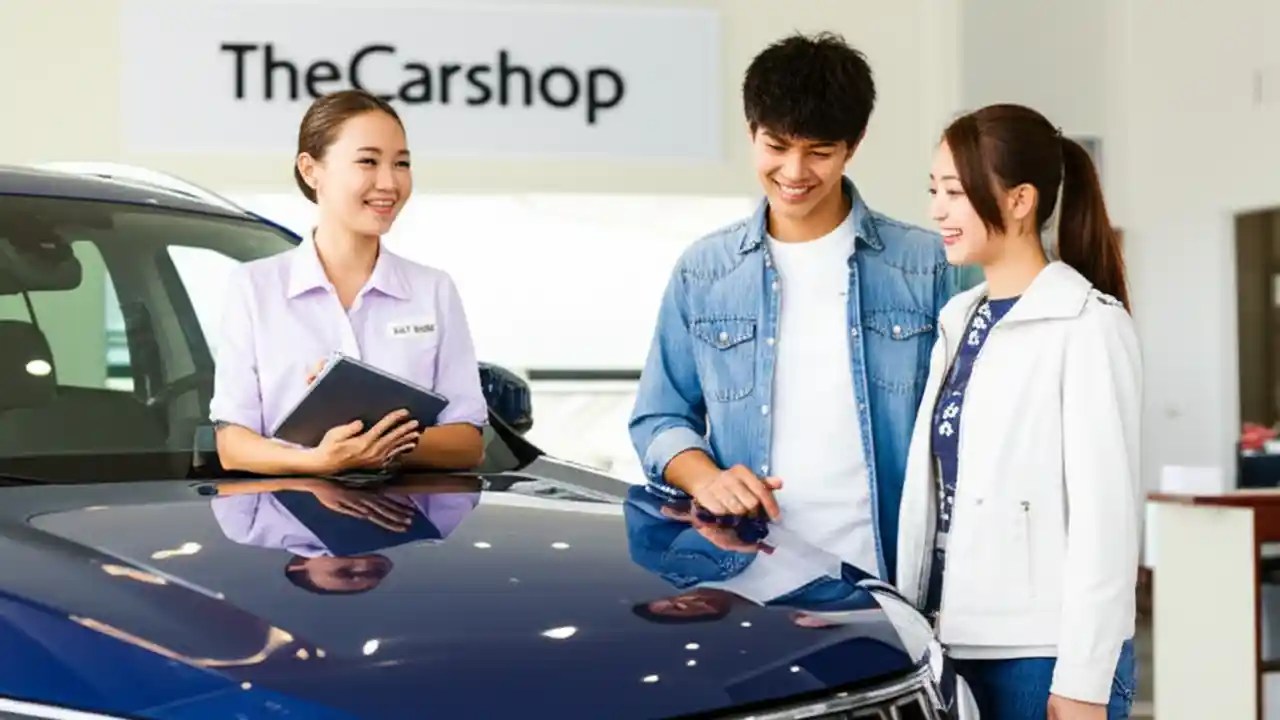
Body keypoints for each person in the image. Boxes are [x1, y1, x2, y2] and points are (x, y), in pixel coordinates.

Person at [627, 32, 977, 584]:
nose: (794, 172)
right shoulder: (705, 271)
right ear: (751, 133)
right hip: (743, 582)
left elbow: (978, 426)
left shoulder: (931, 266)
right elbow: (659, 417)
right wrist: (706, 480)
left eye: (819, 152)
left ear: (853, 145)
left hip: (892, 579)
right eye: (776, 146)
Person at [896, 103, 1142, 719]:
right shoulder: (959, 320)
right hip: (949, 639)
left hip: (1044, 655)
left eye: (955, 192)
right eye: (934, 190)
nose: (937, 210)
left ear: (1020, 200)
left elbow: (1106, 521)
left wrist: (1084, 679)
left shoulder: (1088, 324)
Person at [209, 89, 488, 476]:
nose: (389, 182)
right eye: (368, 161)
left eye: (401, 163)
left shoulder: (433, 290)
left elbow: (467, 443)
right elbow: (233, 446)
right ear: (311, 170)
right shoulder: (254, 288)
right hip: (285, 511)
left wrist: (378, 441)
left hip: (409, 512)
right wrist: (318, 460)